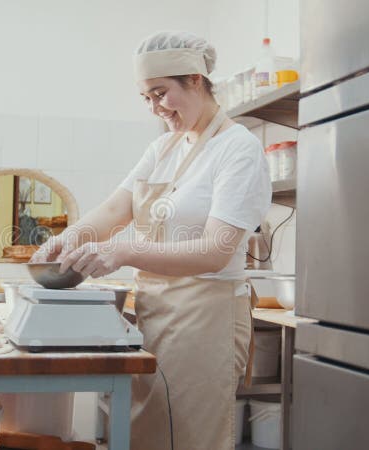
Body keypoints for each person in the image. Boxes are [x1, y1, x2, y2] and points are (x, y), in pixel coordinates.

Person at [32, 31, 271, 449]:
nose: (155, 108)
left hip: (204, 318)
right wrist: (66, 239)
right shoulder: (163, 148)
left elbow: (214, 251)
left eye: (161, 93)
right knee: (151, 435)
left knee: (191, 437)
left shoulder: (238, 150)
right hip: (154, 312)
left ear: (195, 79)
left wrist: (124, 251)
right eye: (146, 98)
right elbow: (113, 210)